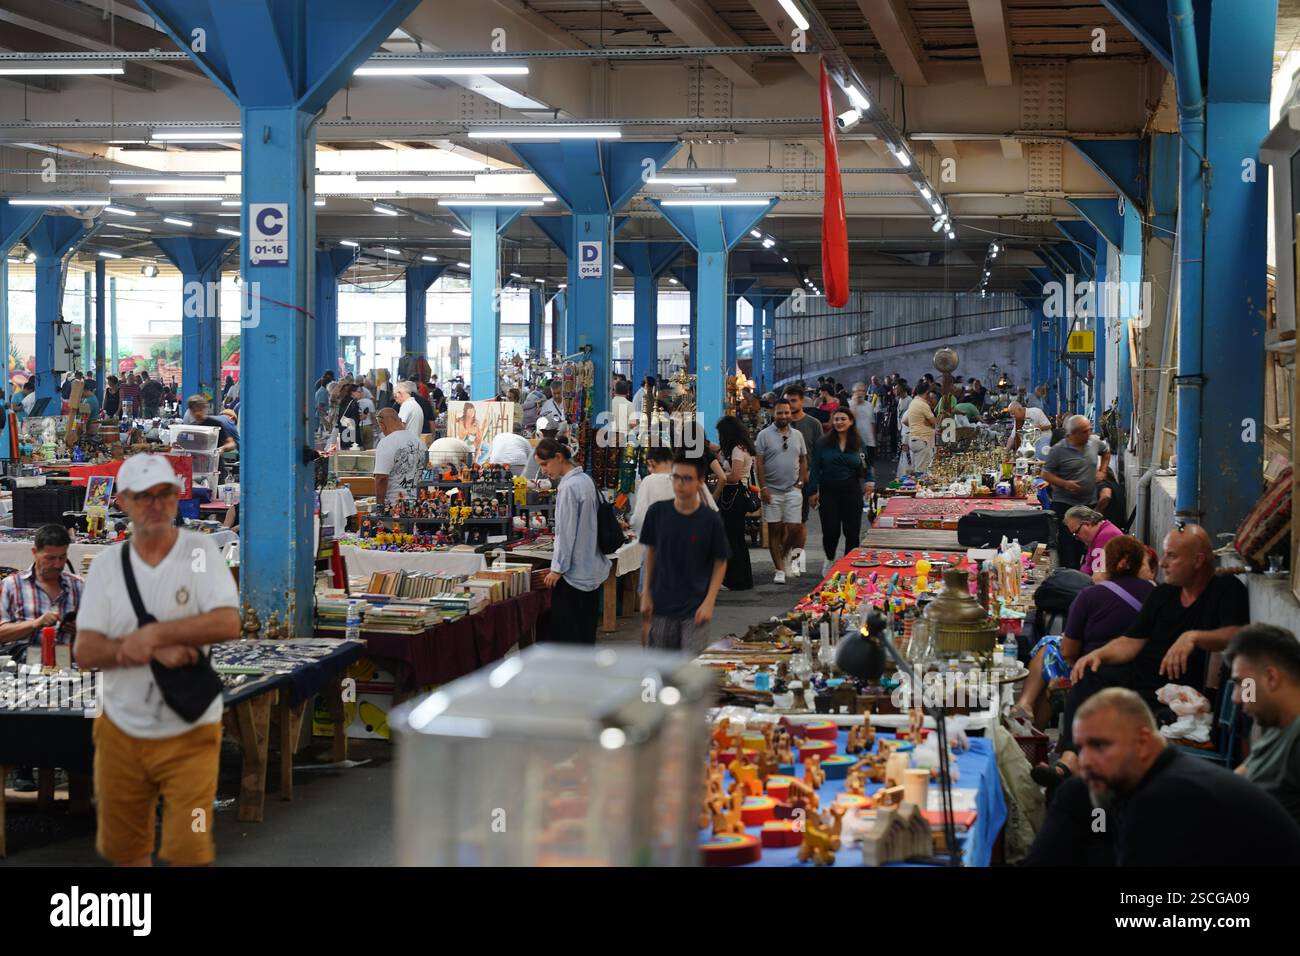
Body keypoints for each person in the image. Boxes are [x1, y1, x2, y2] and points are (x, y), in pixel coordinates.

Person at [73, 454, 242, 867]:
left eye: (164, 494)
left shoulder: (200, 552)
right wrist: (148, 649)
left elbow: (226, 621)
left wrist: (155, 634)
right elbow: (85, 652)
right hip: (119, 730)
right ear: (123, 502)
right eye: (143, 496)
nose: (155, 504)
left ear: (176, 498)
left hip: (192, 728)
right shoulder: (108, 566)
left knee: (191, 845)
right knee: (125, 849)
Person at [1025, 689, 1300, 866]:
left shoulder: (1169, 796)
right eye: (1081, 748)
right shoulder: (1131, 783)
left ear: (1143, 742)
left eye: (1100, 746)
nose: (1085, 761)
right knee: (1077, 796)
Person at [1058, 523, 1250, 771]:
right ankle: (1068, 761)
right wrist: (1098, 655)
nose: (1163, 563)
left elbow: (1237, 634)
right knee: (1089, 676)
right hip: (1142, 676)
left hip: (1182, 687)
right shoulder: (1164, 594)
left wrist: (1193, 637)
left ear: (1198, 560)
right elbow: (1130, 642)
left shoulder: (1226, 589)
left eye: (1172, 556)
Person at [1013, 535, 1155, 730]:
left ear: (1116, 563)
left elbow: (1069, 651)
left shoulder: (1090, 596)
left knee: (1050, 654)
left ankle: (1032, 729)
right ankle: (1029, 715)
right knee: (1051, 650)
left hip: (1095, 670)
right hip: (1142, 671)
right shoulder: (1156, 594)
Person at [0, 522, 83, 793]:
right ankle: (24, 763)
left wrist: (78, 627)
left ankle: (75, 766)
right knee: (31, 675)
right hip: (25, 657)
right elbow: (1, 632)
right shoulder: (12, 586)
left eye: (62, 557)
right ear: (35, 552)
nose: (57, 564)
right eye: (50, 558)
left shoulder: (77, 587)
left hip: (68, 658)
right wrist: (36, 623)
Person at [639, 451, 730, 654]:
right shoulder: (657, 513)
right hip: (661, 605)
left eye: (686, 478)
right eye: (676, 477)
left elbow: (721, 561)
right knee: (660, 668)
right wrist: (646, 593)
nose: (679, 484)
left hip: (694, 608)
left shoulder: (710, 520)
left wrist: (709, 602)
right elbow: (650, 552)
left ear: (700, 481)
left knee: (690, 671)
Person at [535, 437, 610, 644]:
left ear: (558, 457)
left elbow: (566, 533)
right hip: (590, 568)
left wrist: (557, 568)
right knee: (586, 634)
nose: (544, 471)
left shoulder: (569, 487)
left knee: (568, 637)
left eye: (544, 464)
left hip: (573, 574)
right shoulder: (585, 480)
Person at [1227, 625, 1300, 824]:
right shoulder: (1276, 724)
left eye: (1242, 683)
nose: (1236, 697)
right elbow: (1238, 777)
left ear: (1271, 678)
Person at [807, 406, 873, 576]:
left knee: (852, 531)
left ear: (850, 422)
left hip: (851, 490)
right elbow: (815, 468)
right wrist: (812, 491)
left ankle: (849, 564)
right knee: (830, 530)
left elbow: (865, 464)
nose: (839, 422)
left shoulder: (858, 444)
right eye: (836, 419)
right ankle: (829, 559)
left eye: (843, 419)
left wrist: (869, 481)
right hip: (828, 491)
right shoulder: (823, 443)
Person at [1041, 415, 1110, 570]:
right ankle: (1069, 576)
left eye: (1090, 430)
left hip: (1088, 504)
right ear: (1073, 434)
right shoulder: (1058, 450)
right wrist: (1065, 483)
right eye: (1084, 431)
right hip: (1066, 505)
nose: (1089, 434)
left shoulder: (1093, 443)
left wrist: (1103, 471)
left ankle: (1085, 573)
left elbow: (1106, 452)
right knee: (1068, 547)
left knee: (1087, 544)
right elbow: (1045, 474)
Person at [754, 399, 809, 585]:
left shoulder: (798, 435)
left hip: (793, 489)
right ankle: (779, 569)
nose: (784, 416)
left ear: (790, 414)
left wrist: (801, 481)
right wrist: (763, 487)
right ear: (773, 414)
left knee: (795, 528)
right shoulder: (763, 435)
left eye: (787, 412)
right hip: (771, 490)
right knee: (774, 530)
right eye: (780, 413)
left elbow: (803, 460)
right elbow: (758, 463)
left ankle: (785, 557)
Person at [711, 415, 755, 592]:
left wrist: (718, 477)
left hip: (735, 496)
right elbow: (716, 449)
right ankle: (741, 578)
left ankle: (737, 579)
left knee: (733, 538)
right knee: (735, 538)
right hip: (735, 496)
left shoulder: (737, 450)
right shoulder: (738, 448)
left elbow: (735, 476)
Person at [783, 385, 823, 574]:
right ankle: (784, 558)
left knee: (800, 524)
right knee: (784, 524)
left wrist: (815, 485)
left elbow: (819, 454)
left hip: (805, 481)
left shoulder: (813, 424)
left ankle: (796, 560)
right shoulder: (779, 424)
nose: (790, 405)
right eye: (787, 400)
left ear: (801, 401)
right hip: (782, 482)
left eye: (793, 400)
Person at [373, 407, 424, 508]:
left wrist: (379, 505)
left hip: (394, 505)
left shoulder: (386, 442)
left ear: (382, 425)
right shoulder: (419, 442)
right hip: (419, 505)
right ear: (400, 421)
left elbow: (381, 478)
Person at [1063, 505, 1123, 580]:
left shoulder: (1106, 535)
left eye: (1076, 532)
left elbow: (1099, 577)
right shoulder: (1097, 535)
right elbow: (1088, 566)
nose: (1077, 538)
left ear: (1087, 523)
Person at [903, 386, 937, 476]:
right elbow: (935, 423)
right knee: (921, 471)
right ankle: (919, 489)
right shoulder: (923, 405)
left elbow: (905, 420)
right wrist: (926, 424)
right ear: (927, 393)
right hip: (922, 440)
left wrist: (918, 424)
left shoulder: (913, 403)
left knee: (917, 468)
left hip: (914, 439)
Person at [849, 382, 877, 474]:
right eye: (858, 391)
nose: (861, 393)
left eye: (863, 391)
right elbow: (851, 420)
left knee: (869, 467)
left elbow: (872, 423)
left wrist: (873, 439)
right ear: (853, 392)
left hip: (868, 440)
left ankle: (871, 484)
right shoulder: (849, 404)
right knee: (855, 467)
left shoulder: (869, 405)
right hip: (854, 440)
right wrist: (855, 404)